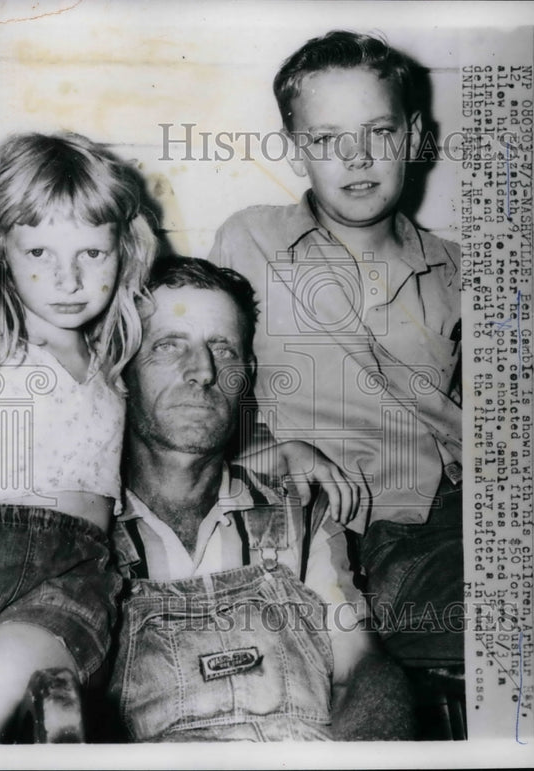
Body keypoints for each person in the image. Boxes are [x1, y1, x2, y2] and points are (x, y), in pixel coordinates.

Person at [0, 132, 354, 743]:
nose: (66, 278)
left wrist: (273, 450)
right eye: (169, 345)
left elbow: (192, 424)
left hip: (75, 580)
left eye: (221, 348)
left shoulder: (102, 362)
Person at [208, 30, 463, 666]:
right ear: (297, 151)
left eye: (378, 132)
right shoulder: (249, 242)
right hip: (338, 531)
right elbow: (194, 387)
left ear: (409, 136)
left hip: (457, 516)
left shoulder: (459, 269)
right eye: (326, 140)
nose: (357, 158)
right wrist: (267, 445)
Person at [108, 256, 414, 742]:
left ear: (246, 373)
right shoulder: (87, 537)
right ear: (121, 368)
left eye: (223, 349)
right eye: (169, 346)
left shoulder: (302, 515)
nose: (203, 371)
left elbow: (359, 666)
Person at [0, 131, 158, 742]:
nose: (67, 279)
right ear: (0, 251)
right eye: (39, 252)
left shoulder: (116, 367)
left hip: (81, 572)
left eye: (91, 254)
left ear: (124, 250)